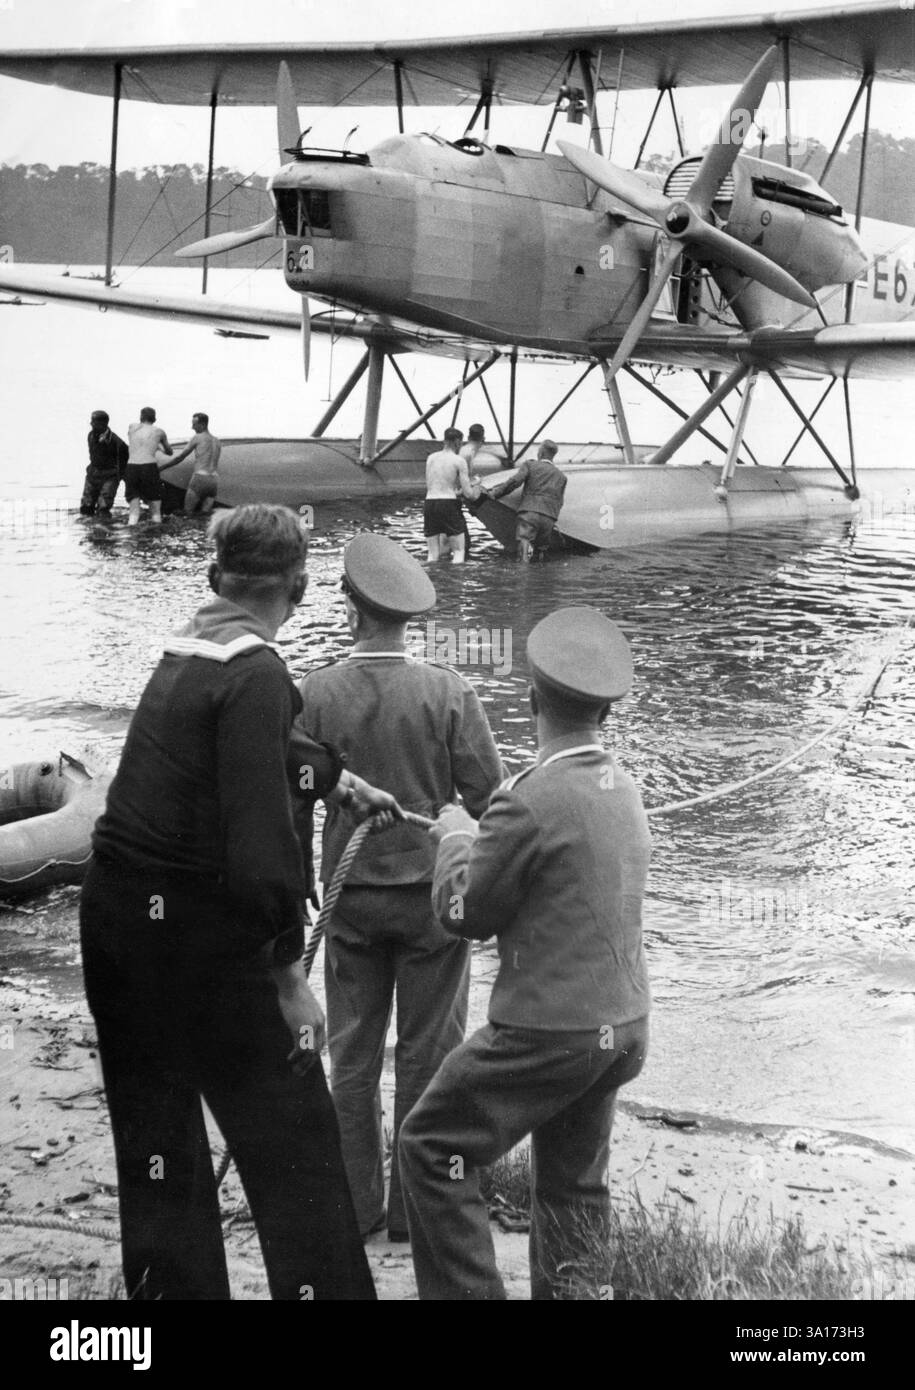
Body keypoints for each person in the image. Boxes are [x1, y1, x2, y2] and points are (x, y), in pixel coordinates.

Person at [79, 504, 401, 1301]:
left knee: (158, 1145)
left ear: (216, 577)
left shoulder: (189, 644)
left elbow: (239, 739)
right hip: (199, 943)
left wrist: (331, 776)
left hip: (116, 924)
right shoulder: (261, 673)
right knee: (295, 1145)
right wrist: (291, 984)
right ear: (297, 586)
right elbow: (263, 862)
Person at [399, 606, 652, 1300]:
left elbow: (463, 916)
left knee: (430, 1147)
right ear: (605, 713)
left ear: (533, 700)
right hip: (621, 1029)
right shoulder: (624, 790)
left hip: (547, 1032)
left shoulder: (526, 799)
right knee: (573, 1185)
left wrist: (454, 837)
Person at [295, 532, 503, 1242]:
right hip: (432, 906)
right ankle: (417, 1215)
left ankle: (356, 1209)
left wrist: (302, 884)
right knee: (430, 1055)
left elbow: (292, 800)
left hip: (348, 901)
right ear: (407, 618)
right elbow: (488, 802)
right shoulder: (448, 690)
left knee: (351, 1056)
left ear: (350, 609)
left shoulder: (313, 693)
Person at [485, 438, 567, 561]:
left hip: (529, 514)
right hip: (549, 518)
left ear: (541, 453)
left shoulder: (530, 465)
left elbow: (515, 482)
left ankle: (522, 575)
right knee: (540, 552)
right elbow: (559, 501)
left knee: (524, 546)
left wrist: (495, 494)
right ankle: (539, 574)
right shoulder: (561, 477)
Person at [424, 426, 479, 563]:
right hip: (448, 504)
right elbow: (468, 494)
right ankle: (456, 583)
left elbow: (430, 485)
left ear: (444, 441)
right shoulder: (459, 461)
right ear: (457, 442)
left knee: (432, 555)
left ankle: (432, 579)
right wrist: (476, 484)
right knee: (459, 552)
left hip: (430, 503)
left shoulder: (430, 458)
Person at [160, 411, 222, 514]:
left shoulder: (197, 437)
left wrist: (162, 467)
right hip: (214, 481)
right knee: (205, 515)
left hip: (200, 479)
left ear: (202, 425)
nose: (192, 427)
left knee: (188, 513)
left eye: (194, 424)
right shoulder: (217, 441)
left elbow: (180, 457)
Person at [126, 406, 172, 525]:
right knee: (156, 510)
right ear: (154, 419)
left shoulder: (131, 428)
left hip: (131, 467)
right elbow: (169, 452)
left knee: (134, 511)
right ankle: (156, 529)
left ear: (141, 417)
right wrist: (158, 446)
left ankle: (131, 529)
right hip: (148, 467)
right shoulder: (159, 432)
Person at [80, 410, 128, 516]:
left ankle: (104, 529)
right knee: (86, 508)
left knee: (103, 508)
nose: (91, 424)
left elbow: (125, 459)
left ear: (103, 424)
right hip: (92, 475)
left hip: (110, 477)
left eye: (94, 422)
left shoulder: (117, 442)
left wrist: (118, 476)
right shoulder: (91, 435)